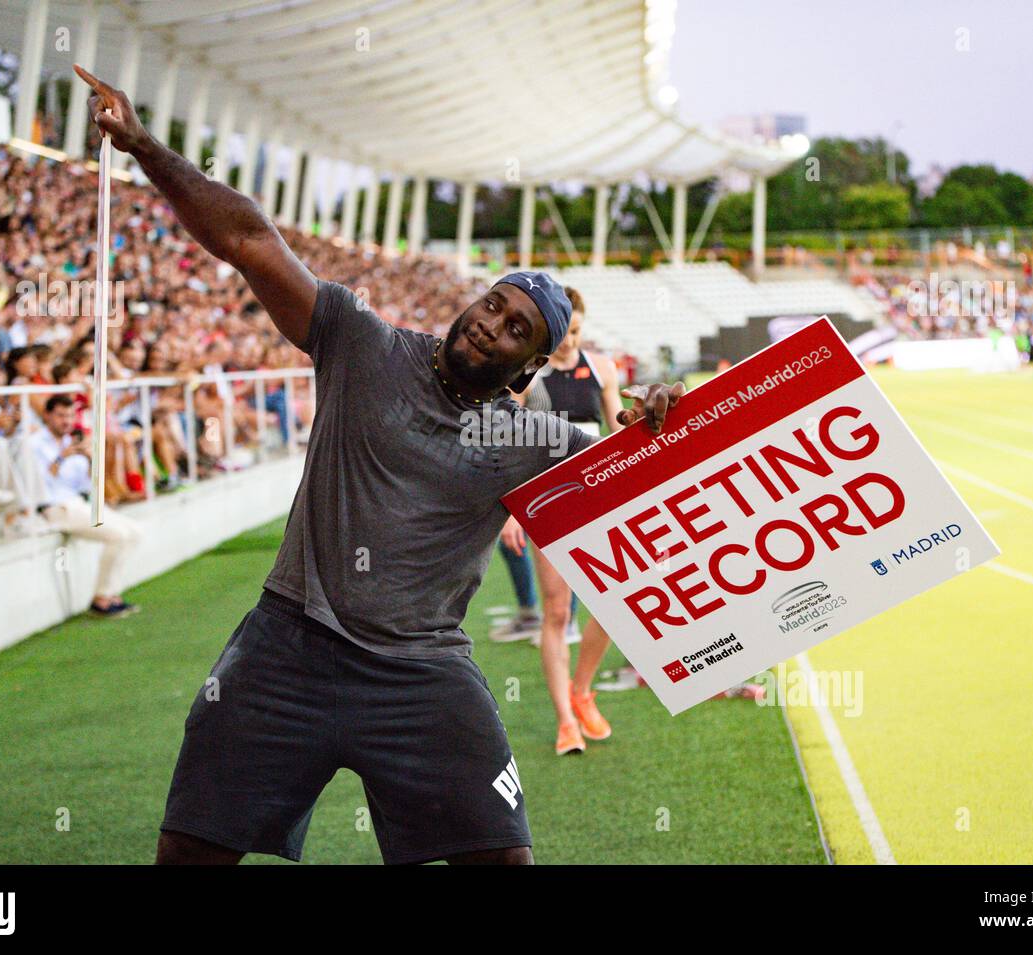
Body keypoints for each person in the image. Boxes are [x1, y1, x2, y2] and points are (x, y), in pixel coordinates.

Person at [75, 64, 683, 865]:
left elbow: (650, 468)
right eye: (494, 303)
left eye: (516, 329)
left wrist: (666, 417)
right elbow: (251, 241)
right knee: (189, 850)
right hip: (286, 647)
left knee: (505, 856)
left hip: (422, 670)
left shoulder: (530, 439)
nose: (490, 324)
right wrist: (143, 143)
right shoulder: (365, 345)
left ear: (528, 368)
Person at [501, 287, 626, 755]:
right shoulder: (526, 379)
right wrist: (511, 510)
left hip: (601, 500)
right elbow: (508, 445)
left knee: (618, 607)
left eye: (576, 332)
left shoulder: (603, 369)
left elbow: (619, 429)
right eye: (562, 334)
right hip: (548, 503)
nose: (569, 342)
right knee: (557, 611)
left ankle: (582, 688)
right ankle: (565, 720)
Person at [28, 393, 142, 617]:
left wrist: (91, 459)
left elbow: (86, 484)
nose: (66, 421)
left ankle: (111, 595)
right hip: (55, 508)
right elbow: (39, 486)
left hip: (76, 502)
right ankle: (102, 599)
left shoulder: (72, 441)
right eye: (60, 415)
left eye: (70, 416)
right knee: (118, 535)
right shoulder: (35, 444)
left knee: (135, 531)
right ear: (47, 416)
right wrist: (61, 458)